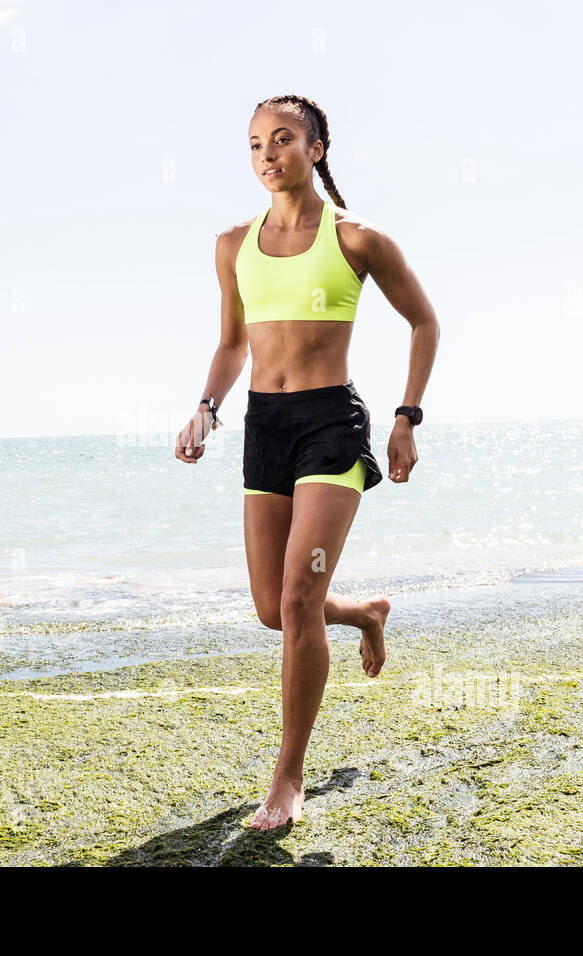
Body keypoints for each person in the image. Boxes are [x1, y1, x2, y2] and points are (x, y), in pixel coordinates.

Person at [175, 94, 440, 830]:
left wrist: (406, 416)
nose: (268, 154)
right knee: (273, 608)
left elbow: (424, 321)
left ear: (316, 148)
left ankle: (287, 779)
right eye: (256, 142)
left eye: (283, 139)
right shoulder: (234, 244)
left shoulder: (356, 240)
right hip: (266, 426)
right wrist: (207, 406)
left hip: (331, 425)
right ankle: (362, 612)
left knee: (296, 604)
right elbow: (232, 344)